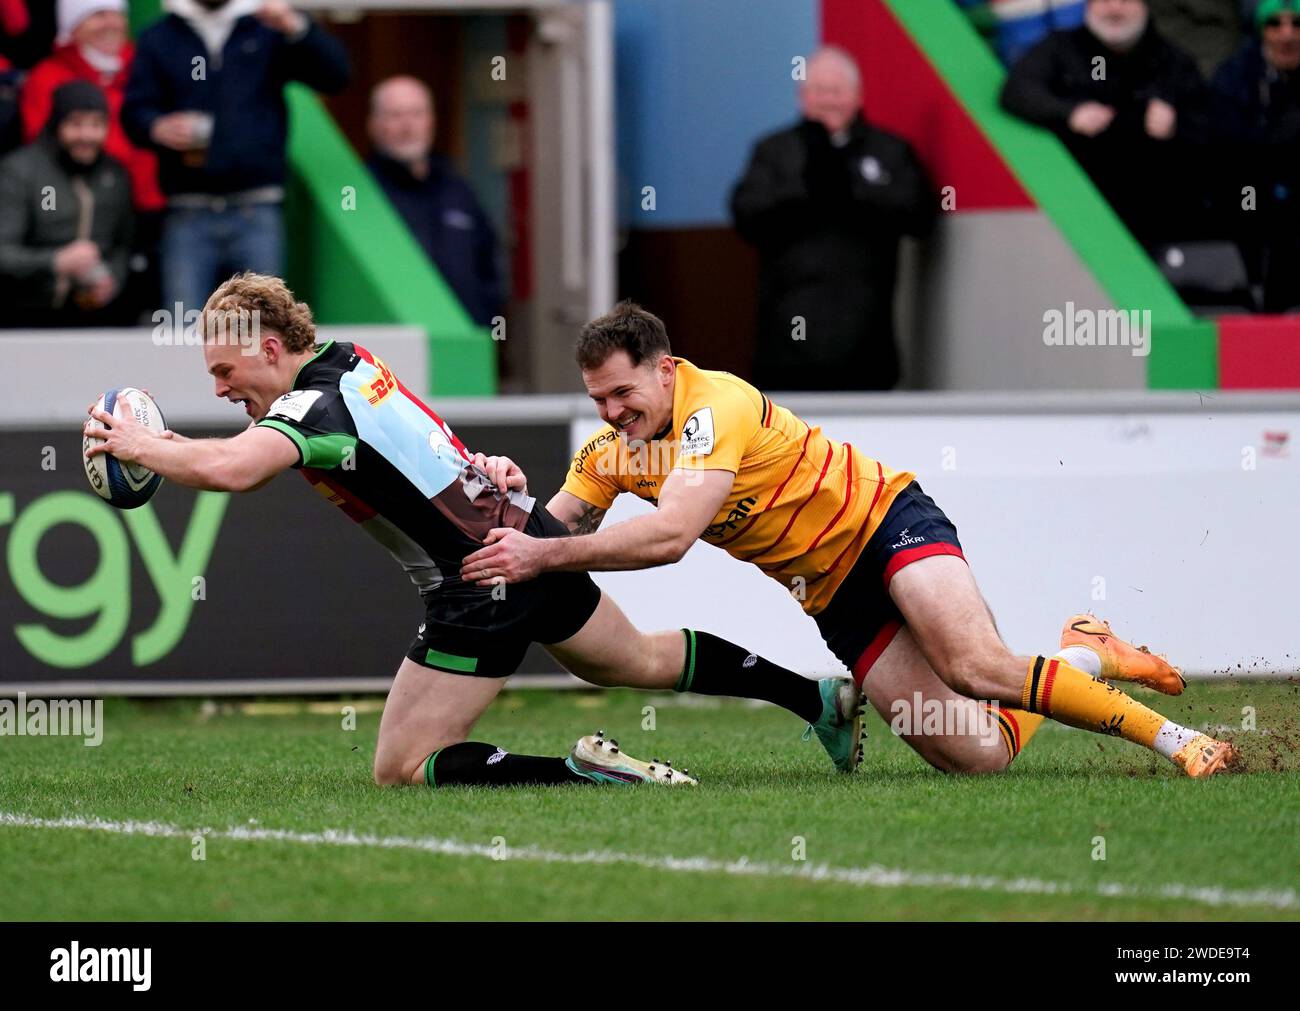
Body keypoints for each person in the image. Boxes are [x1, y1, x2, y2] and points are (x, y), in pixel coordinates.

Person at [82, 273, 869, 790]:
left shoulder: (315, 409)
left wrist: (139, 446)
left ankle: (582, 771)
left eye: (225, 372)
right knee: (639, 657)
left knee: (400, 766)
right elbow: (254, 451)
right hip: (519, 531)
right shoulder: (349, 363)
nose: (219, 388)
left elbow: (234, 471)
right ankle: (818, 696)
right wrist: (167, 448)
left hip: (480, 579)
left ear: (270, 348)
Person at [461, 302, 1237, 779]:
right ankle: (1084, 649)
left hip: (885, 523)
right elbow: (553, 525)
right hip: (831, 594)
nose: (610, 412)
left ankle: (1181, 743)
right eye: (597, 399)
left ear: (665, 370)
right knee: (974, 753)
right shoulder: (610, 451)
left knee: (976, 666)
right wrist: (512, 491)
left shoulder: (713, 406)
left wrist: (542, 553)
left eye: (622, 392)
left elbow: (668, 538)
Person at [121, 1, 349, 314]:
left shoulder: (267, 28)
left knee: (264, 328)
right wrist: (155, 126)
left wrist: (295, 24)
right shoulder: (160, 37)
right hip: (187, 213)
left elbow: (335, 76)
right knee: (184, 334)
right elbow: (134, 111)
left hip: (257, 210)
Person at [730, 46, 935, 393]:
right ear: (802, 96)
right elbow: (746, 215)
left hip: (868, 344)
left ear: (857, 96)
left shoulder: (889, 151)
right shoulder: (775, 151)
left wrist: (856, 193)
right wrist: (805, 195)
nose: (828, 100)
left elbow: (919, 216)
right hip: (785, 348)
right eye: (819, 91)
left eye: (837, 91)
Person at [1000, 0, 1211, 246]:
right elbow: (1017, 90)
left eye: (1125, 1)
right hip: (1073, 201)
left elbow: (1210, 135)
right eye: (1104, 0)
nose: (1114, 9)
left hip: (1153, 212)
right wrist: (1069, 113)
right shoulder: (1060, 47)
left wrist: (1175, 128)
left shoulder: (1174, 60)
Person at [366, 76, 502, 327]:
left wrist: (485, 316)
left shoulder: (457, 187)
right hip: (397, 341)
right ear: (374, 125)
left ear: (431, 121)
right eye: (395, 115)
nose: (407, 126)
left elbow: (488, 259)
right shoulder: (362, 191)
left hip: (466, 339)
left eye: (416, 114)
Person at [0, 79, 132, 325]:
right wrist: (56, 261)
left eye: (96, 125)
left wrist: (111, 279)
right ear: (57, 125)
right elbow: (4, 252)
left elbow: (123, 246)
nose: (86, 135)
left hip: (96, 317)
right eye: (76, 124)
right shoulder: (19, 171)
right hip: (26, 317)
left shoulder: (114, 175)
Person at [21, 0, 164, 212]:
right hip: (83, 208)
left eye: (116, 14)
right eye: (98, 15)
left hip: (153, 205)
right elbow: (43, 150)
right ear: (73, 25)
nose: (111, 23)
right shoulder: (47, 78)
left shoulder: (145, 66)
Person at [1210, 0, 1300, 310]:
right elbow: (1230, 147)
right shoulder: (1236, 75)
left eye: (1297, 24)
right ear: (1262, 30)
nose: (1287, 35)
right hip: (1249, 190)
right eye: (1276, 24)